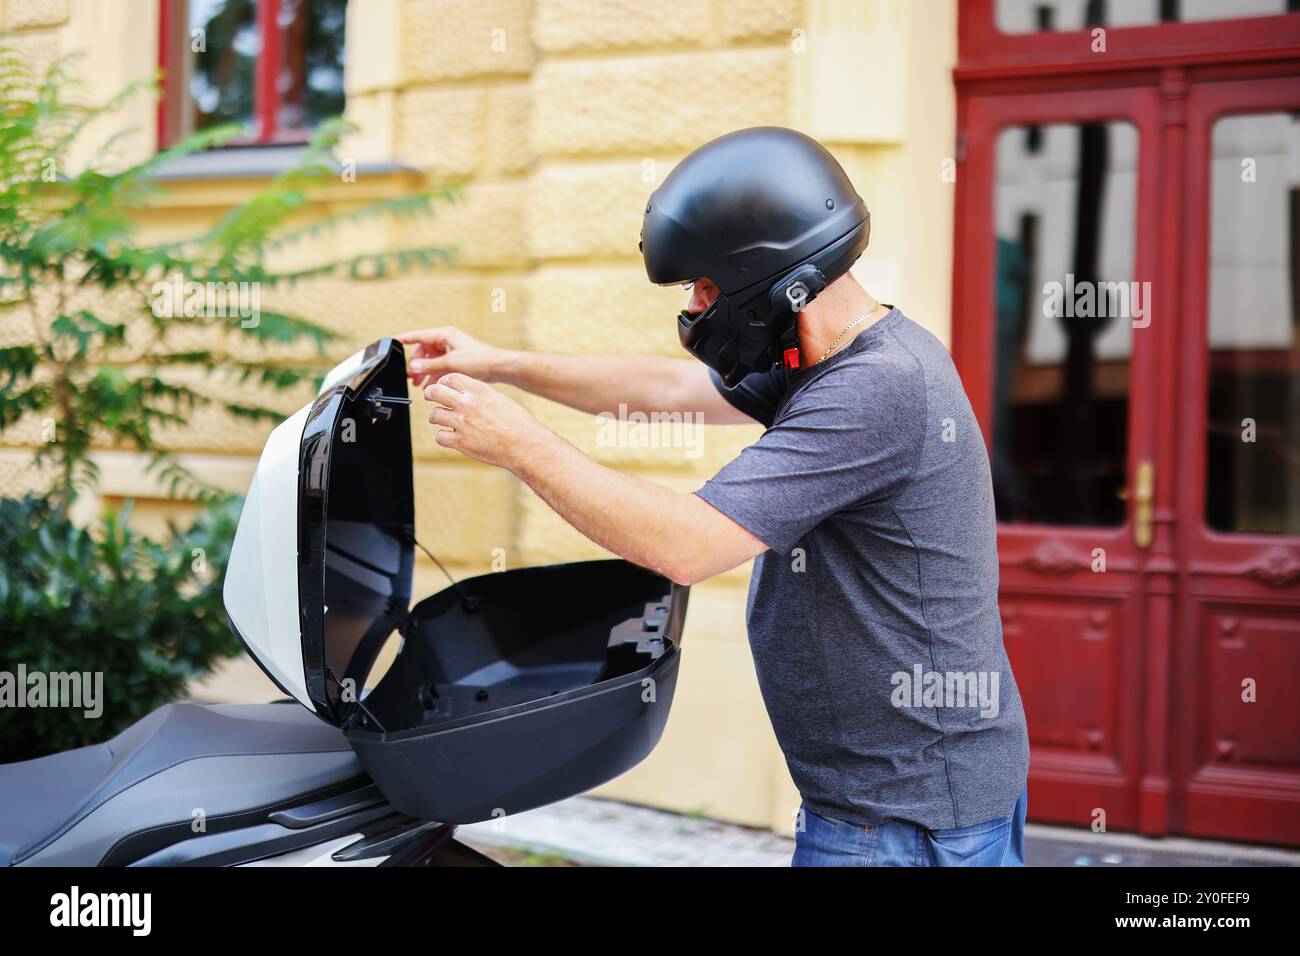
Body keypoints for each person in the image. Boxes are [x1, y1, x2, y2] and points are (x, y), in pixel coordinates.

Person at [397, 126, 1030, 867]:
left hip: (907, 818)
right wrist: (501, 363)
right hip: (894, 798)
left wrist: (518, 443)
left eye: (705, 286)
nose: (696, 308)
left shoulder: (875, 388)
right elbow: (669, 388)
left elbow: (687, 545)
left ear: (769, 278)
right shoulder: (829, 358)